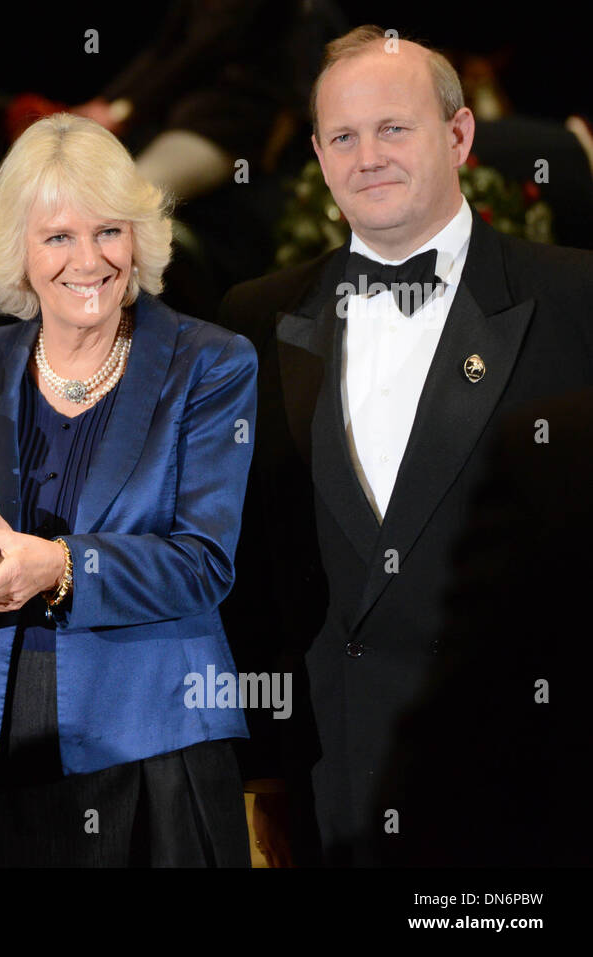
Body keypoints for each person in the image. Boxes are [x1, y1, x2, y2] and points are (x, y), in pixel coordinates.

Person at [0, 113, 258, 866]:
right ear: (18, 253)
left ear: (138, 239)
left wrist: (59, 565)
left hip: (153, 749)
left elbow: (202, 562)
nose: (87, 260)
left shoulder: (211, 364)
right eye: (58, 236)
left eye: (108, 232)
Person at [217, 26, 593, 866]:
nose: (368, 156)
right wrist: (266, 777)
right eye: (343, 136)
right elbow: (251, 569)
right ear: (317, 154)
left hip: (531, 795)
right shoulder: (254, 317)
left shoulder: (578, 301)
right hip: (329, 790)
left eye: (394, 128)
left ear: (458, 135)